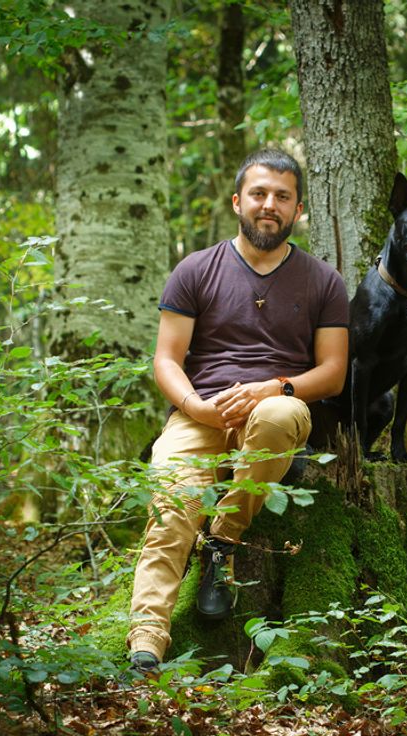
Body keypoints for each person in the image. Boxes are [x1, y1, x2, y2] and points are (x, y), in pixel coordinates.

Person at [127, 148, 349, 673]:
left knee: (274, 417)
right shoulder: (196, 270)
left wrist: (273, 387)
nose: (268, 204)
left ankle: (222, 544)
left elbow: (333, 372)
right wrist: (196, 408)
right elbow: (165, 359)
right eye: (258, 193)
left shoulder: (323, 282)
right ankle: (145, 644)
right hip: (199, 412)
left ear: (297, 211)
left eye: (282, 197)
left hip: (278, 409)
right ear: (237, 201)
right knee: (171, 505)